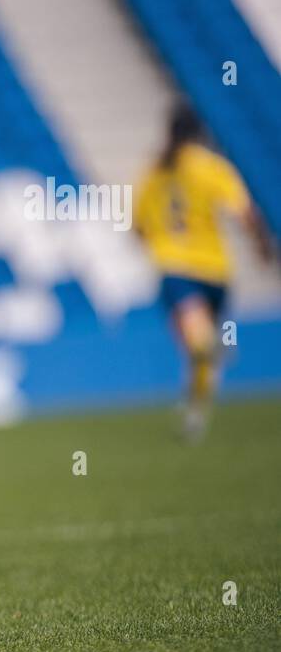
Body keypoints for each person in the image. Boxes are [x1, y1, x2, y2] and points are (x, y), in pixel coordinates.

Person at [134, 102, 271, 440]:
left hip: (175, 264)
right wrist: (264, 246)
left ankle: (206, 345)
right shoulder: (211, 166)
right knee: (198, 353)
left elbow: (137, 225)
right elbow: (245, 212)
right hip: (216, 269)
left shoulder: (156, 170)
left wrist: (155, 239)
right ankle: (196, 414)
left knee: (190, 331)